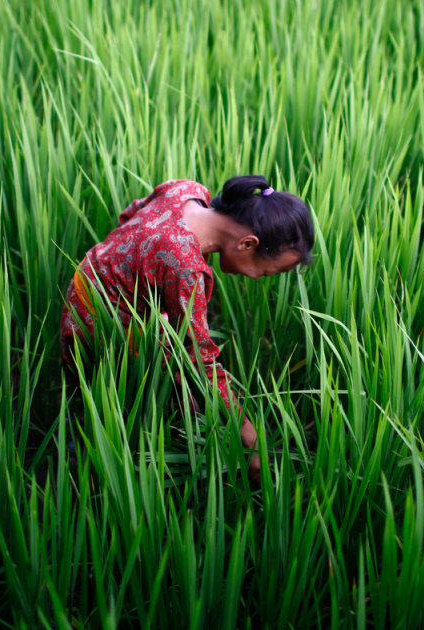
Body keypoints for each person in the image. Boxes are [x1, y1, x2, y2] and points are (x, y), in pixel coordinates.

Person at [59, 175, 315, 482]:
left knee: (175, 396)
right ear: (248, 243)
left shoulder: (187, 190)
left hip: (88, 282)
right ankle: (91, 475)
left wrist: (144, 289)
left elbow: (130, 214)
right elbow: (200, 362)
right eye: (267, 271)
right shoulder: (184, 265)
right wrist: (250, 436)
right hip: (99, 326)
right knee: (123, 410)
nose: (261, 277)